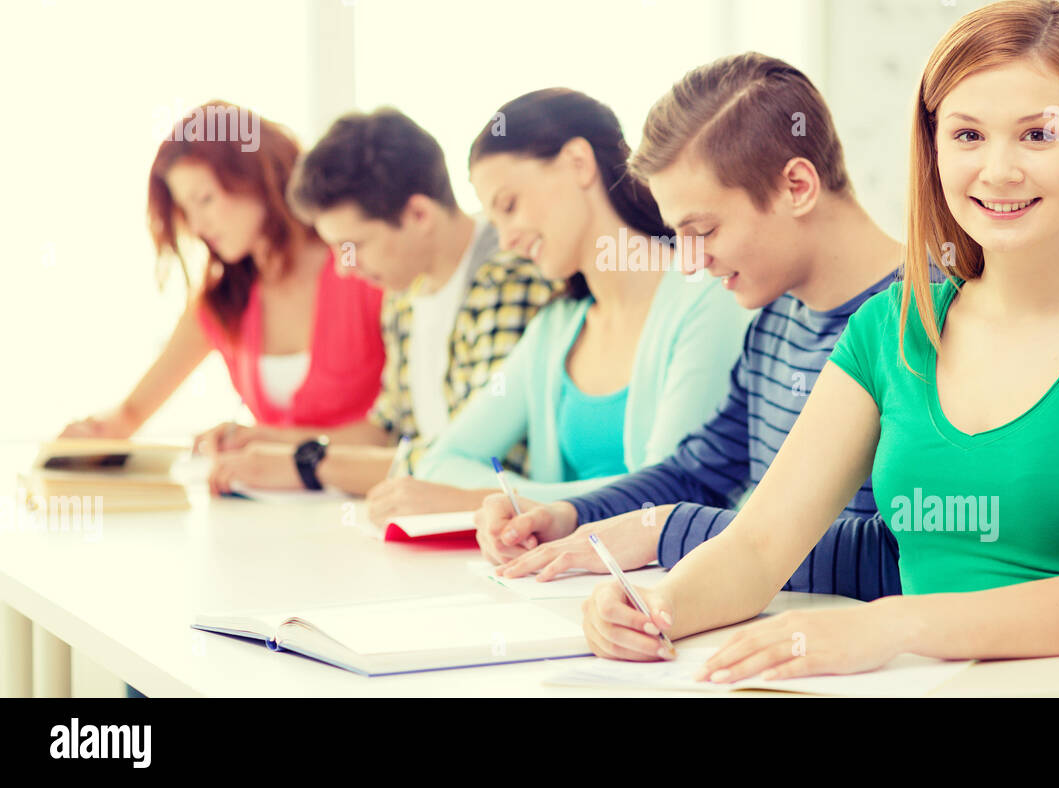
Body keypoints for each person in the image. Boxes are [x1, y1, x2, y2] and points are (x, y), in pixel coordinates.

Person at [580, 0, 1059, 699]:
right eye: (967, 135)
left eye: (1037, 134)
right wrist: (657, 607)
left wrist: (889, 628)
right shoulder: (890, 330)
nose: (998, 170)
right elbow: (758, 547)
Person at [476, 53, 945, 602]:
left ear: (796, 186)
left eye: (704, 230)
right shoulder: (776, 316)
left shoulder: (933, 322)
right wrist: (571, 514)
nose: (692, 262)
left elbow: (902, 553)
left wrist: (663, 531)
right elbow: (701, 470)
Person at [365, 87, 751, 522]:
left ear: (578, 163)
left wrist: (517, 504)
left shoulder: (709, 298)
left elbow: (671, 492)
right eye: (495, 222)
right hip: (564, 582)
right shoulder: (555, 329)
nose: (507, 239)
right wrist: (528, 506)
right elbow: (442, 461)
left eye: (509, 205)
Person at [203, 108, 560, 497]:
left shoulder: (508, 278)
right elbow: (386, 431)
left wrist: (307, 465)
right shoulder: (403, 295)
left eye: (353, 247)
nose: (342, 269)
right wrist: (267, 440)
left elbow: (483, 465)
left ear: (419, 215)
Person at [59, 101, 385, 450]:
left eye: (205, 199)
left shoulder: (361, 266)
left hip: (374, 500)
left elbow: (397, 431)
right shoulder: (223, 301)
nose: (197, 225)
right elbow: (129, 415)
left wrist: (269, 441)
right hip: (272, 503)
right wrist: (84, 439)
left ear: (256, 176)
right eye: (185, 210)